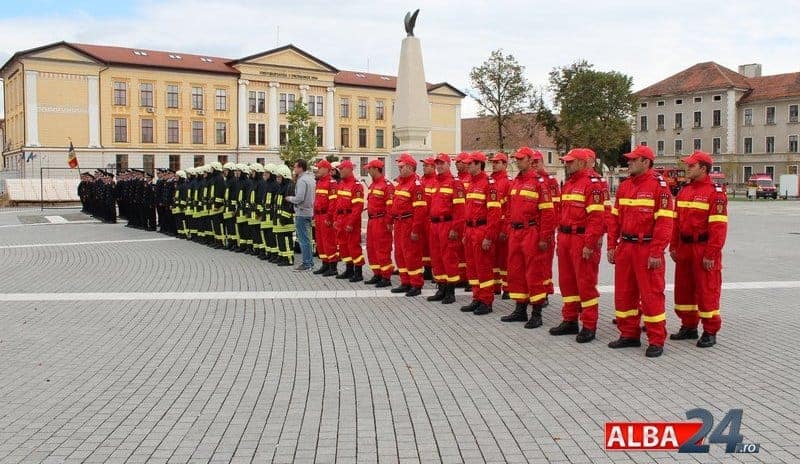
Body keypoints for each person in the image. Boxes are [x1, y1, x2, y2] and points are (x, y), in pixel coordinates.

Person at [607, 145, 675, 358]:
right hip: (626, 247)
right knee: (624, 294)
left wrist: (656, 251)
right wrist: (612, 245)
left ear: (646, 162)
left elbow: (665, 222)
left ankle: (656, 340)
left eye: (633, 160)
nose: (628, 163)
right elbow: (614, 219)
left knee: (651, 295)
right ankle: (629, 334)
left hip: (647, 248)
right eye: (629, 159)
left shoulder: (659, 186)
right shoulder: (625, 186)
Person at [669, 150, 728, 348]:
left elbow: (718, 228)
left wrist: (711, 253)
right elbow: (676, 222)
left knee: (707, 290)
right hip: (685, 247)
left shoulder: (715, 193)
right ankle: (688, 326)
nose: (687, 168)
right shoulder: (684, 191)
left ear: (703, 168)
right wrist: (674, 245)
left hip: (703, 248)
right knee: (684, 289)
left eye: (691, 165)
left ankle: (710, 330)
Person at [548, 148, 607, 342]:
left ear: (582, 163)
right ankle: (570, 319)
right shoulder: (569, 184)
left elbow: (596, 218)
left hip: (581, 239)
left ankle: (589, 325)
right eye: (566, 161)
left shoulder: (592, 184)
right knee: (567, 282)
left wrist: (590, 244)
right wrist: (559, 239)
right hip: (566, 238)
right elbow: (561, 214)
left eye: (570, 162)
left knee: (585, 283)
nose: (567, 165)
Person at [501, 147, 555, 327]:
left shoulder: (539, 183)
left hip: (531, 232)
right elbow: (509, 209)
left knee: (534, 273)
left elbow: (548, 213)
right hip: (515, 232)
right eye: (516, 159)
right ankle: (520, 309)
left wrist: (544, 238)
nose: (517, 162)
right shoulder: (516, 182)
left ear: (530, 160)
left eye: (521, 159)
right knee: (516, 271)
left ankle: (537, 313)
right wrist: (509, 228)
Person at [460, 152, 502, 315]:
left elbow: (494, 213)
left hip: (481, 230)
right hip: (470, 230)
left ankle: (486, 300)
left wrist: (488, 236)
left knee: (483, 267)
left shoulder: (488, 184)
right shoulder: (471, 183)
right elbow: (467, 211)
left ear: (479, 165)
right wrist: (465, 232)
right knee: (472, 267)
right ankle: (477, 297)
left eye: (470, 164)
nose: (467, 166)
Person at [426, 153, 465, 305]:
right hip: (434, 225)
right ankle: (441, 288)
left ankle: (450, 291)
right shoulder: (435, 182)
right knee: (436, 258)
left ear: (449, 164)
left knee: (449, 258)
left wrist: (455, 228)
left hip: (447, 225)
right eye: (437, 163)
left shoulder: (455, 183)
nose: (439, 166)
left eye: (442, 163)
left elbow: (460, 209)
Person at [389, 154, 428, 296]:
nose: (399, 168)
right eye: (399, 166)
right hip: (399, 223)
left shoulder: (416, 185)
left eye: (402, 166)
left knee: (411, 255)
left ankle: (416, 284)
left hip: (409, 223)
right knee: (400, 254)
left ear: (410, 167)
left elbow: (420, 209)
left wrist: (415, 229)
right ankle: (405, 282)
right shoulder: (401, 183)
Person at [363, 158, 395, 287]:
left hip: (381, 221)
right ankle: (377, 274)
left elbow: (390, 206)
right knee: (371, 248)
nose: (368, 171)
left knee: (382, 249)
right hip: (372, 221)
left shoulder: (386, 185)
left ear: (376, 169)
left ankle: (386, 277)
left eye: (369, 169)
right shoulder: (373, 185)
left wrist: (388, 222)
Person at [333, 160, 366, 281]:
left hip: (350, 218)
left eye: (342, 169)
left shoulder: (356, 185)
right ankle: (349, 269)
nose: (340, 171)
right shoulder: (341, 184)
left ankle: (358, 272)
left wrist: (351, 223)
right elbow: (337, 203)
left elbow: (358, 207)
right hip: (341, 218)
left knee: (353, 246)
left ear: (349, 169)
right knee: (343, 245)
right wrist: (335, 219)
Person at [286, 159, 316, 271]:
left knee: (303, 240)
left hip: (302, 212)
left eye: (295, 167)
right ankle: (309, 262)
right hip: (309, 211)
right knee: (307, 239)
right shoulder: (311, 179)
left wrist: (289, 198)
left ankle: (307, 263)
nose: (294, 169)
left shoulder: (302, 180)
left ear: (300, 168)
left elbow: (299, 198)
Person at [311, 160, 340, 276]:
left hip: (325, 216)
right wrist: (314, 215)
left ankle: (333, 267)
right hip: (318, 216)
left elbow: (333, 203)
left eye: (319, 168)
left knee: (329, 242)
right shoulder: (319, 182)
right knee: (320, 241)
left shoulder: (331, 183)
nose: (318, 170)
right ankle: (325, 264)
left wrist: (329, 217)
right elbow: (317, 201)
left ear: (326, 169)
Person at [489, 152, 512, 299]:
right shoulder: (490, 180)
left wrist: (505, 228)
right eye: (493, 162)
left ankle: (507, 287)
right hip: (492, 224)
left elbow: (509, 207)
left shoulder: (508, 182)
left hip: (502, 224)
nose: (494, 164)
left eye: (497, 162)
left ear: (505, 164)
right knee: (493, 257)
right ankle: (496, 285)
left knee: (504, 259)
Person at [420, 157, 437, 280]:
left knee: (433, 247)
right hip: (422, 218)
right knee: (424, 246)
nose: (424, 168)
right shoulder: (421, 180)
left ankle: (435, 271)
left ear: (433, 167)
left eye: (426, 165)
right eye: (423, 166)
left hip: (431, 219)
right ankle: (427, 270)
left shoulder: (436, 181)